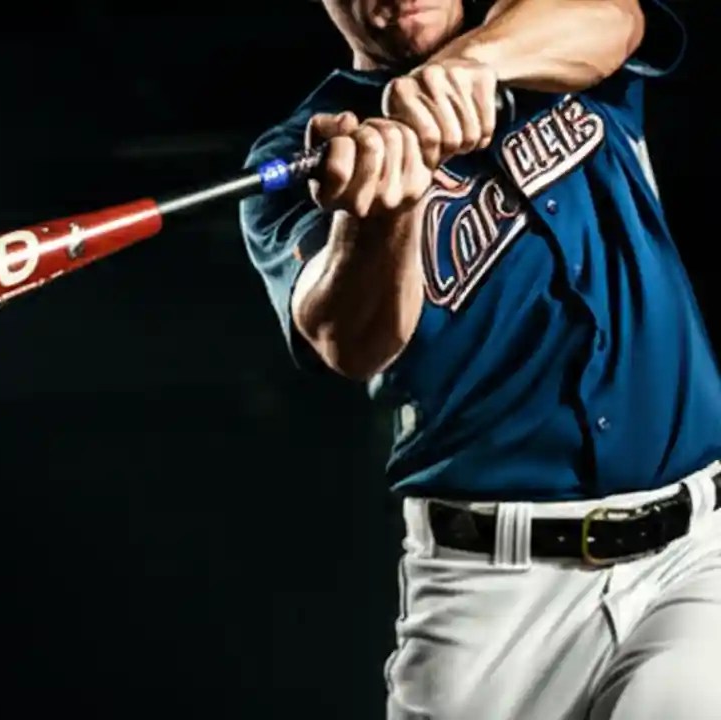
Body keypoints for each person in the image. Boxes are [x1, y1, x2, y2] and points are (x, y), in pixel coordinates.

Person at [239, 1, 721, 718]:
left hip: (691, 561)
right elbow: (348, 340)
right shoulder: (301, 153)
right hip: (490, 593)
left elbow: (618, 18)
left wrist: (471, 64)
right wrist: (383, 218)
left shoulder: (538, 34)